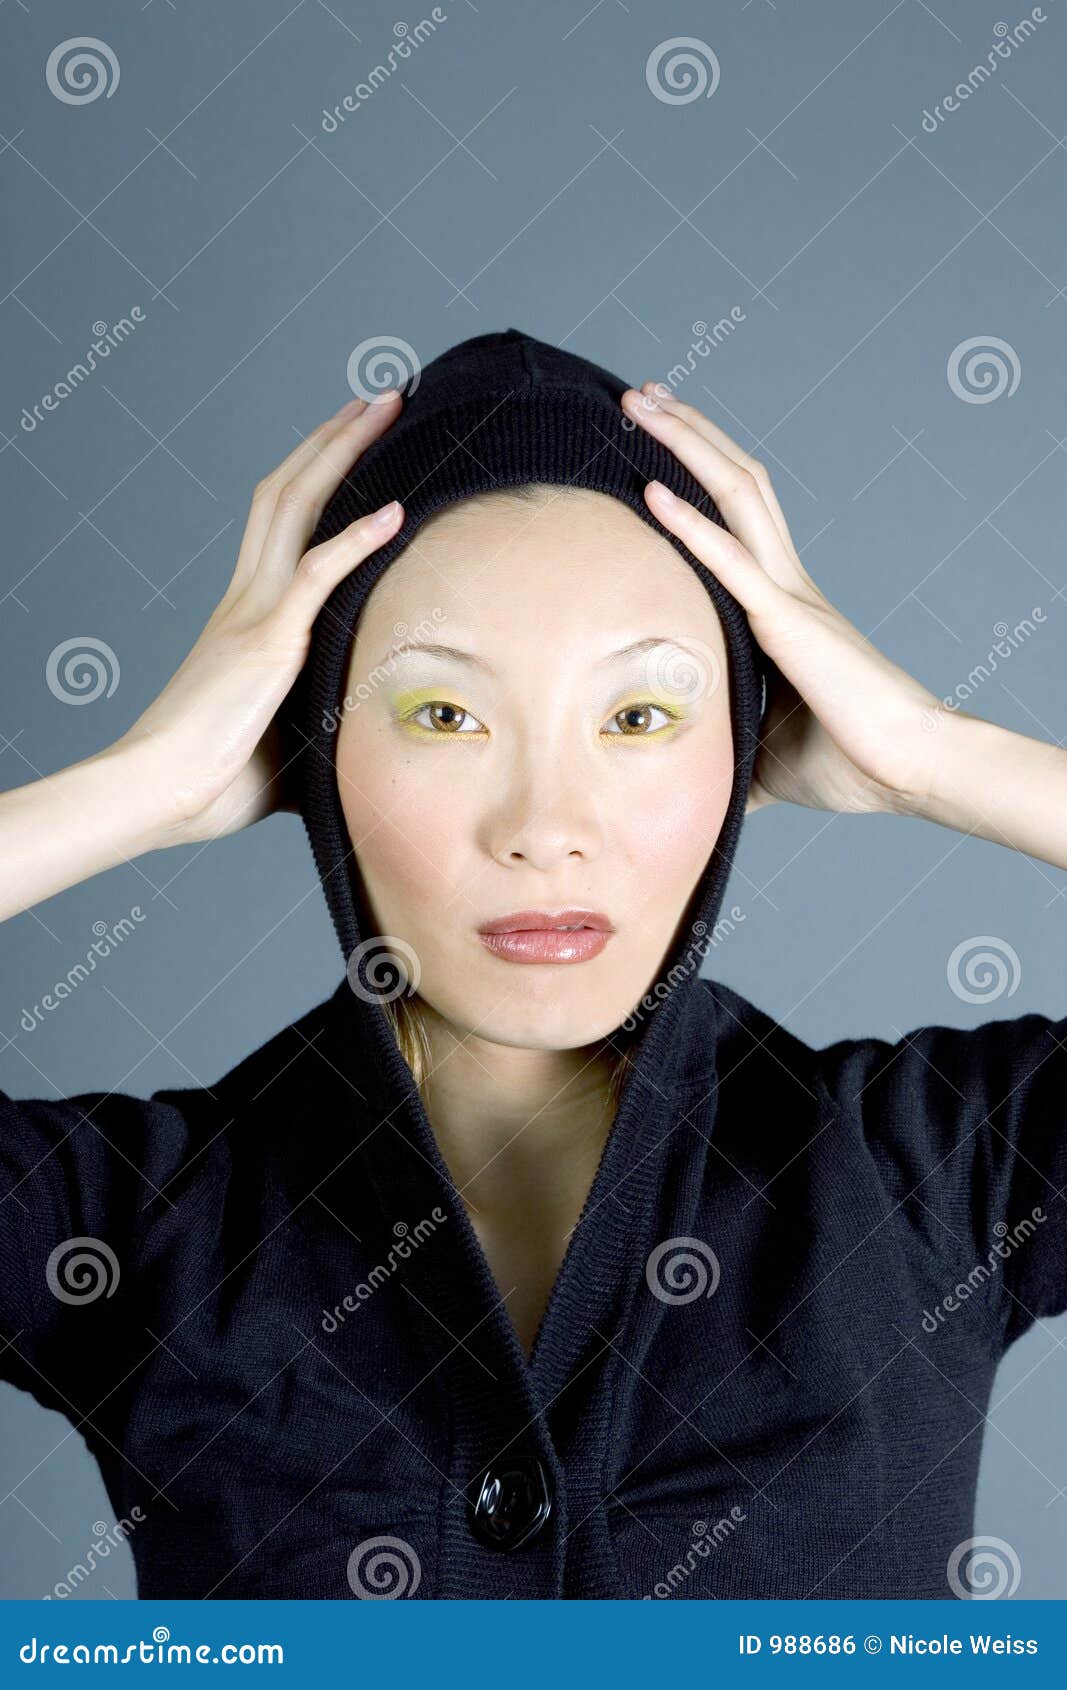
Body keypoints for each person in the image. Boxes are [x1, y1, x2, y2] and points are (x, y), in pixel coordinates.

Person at [1, 328, 1064, 1602]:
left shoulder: (934, 1173)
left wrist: (931, 752)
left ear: (739, 743)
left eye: (640, 716)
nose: (544, 820)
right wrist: (134, 790)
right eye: (443, 715)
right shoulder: (135, 1226)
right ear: (317, 741)